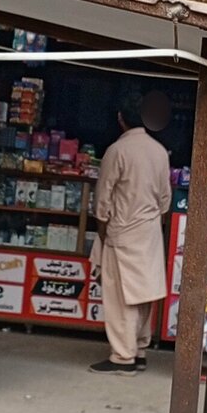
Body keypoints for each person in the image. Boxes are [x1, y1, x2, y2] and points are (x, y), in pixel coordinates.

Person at [88, 96, 171, 376]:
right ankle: (139, 349)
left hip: (122, 231)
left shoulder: (117, 150)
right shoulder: (160, 152)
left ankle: (123, 357)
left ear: (121, 119)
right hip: (149, 233)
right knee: (143, 295)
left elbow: (102, 201)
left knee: (120, 297)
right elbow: (165, 200)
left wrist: (104, 235)